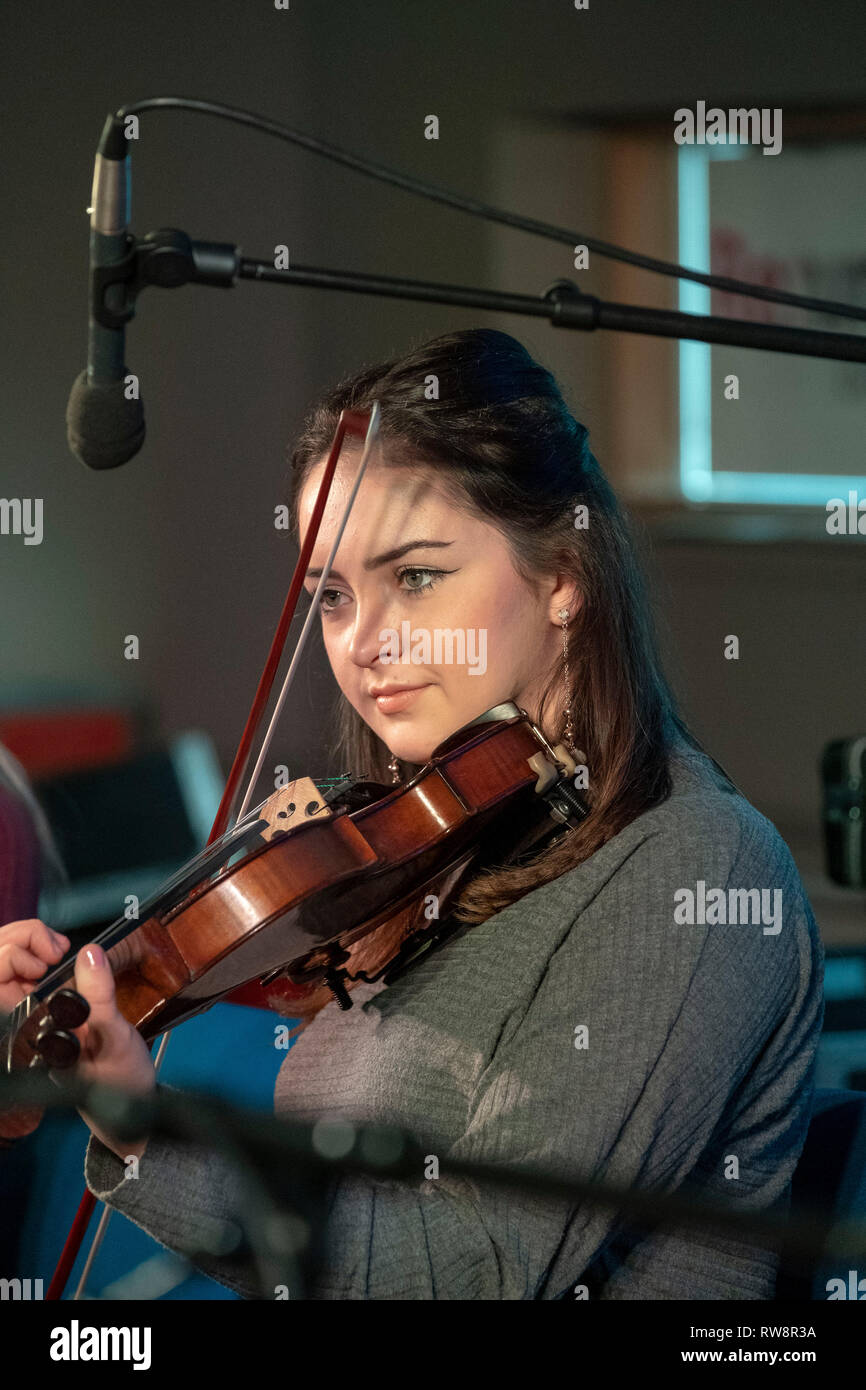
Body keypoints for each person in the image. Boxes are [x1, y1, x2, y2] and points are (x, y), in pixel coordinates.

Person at [0, 329, 824, 1299]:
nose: (362, 643)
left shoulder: (696, 866)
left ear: (560, 576)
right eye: (334, 597)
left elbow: (473, 1270)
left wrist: (145, 1125)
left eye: (416, 578)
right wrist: (92, 1036)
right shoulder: (429, 858)